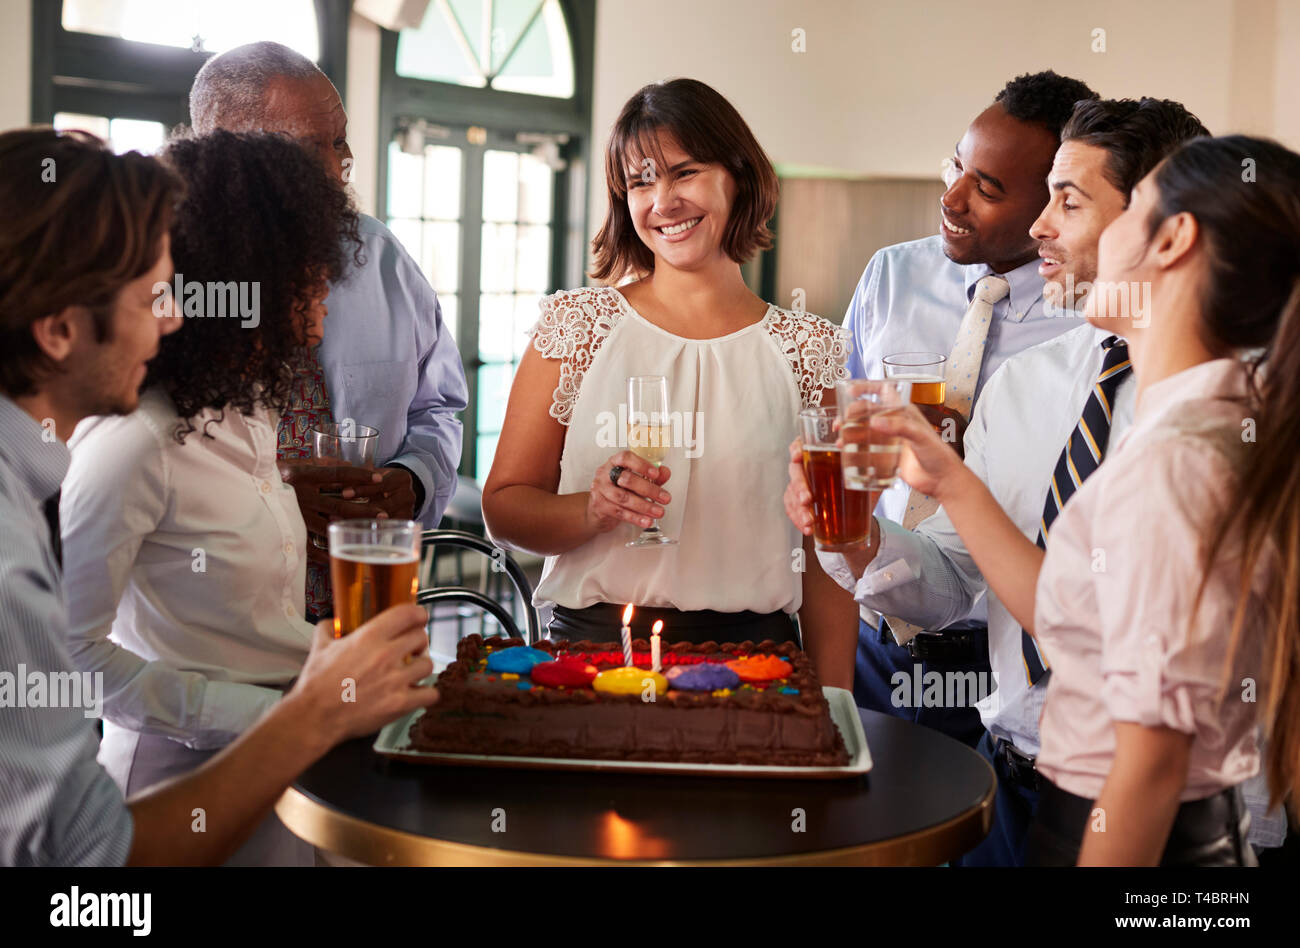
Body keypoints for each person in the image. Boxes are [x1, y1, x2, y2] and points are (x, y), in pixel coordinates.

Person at [0, 127, 437, 866]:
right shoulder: (102, 466)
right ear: (58, 330)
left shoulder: (243, 413)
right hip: (183, 778)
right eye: (152, 296)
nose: (174, 317)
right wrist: (299, 712)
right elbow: (88, 870)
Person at [791, 98, 1211, 865]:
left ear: (1166, 225)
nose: (1041, 226)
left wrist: (952, 483)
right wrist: (857, 540)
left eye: (1069, 201)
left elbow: (1099, 634)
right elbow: (954, 581)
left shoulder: (1224, 414)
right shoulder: (1027, 385)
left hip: (1180, 814)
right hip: (1017, 782)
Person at [871, 133, 1300, 865]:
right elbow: (1080, 626)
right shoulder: (1221, 429)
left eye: (1122, 210)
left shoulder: (1177, 467)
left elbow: (1151, 761)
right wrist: (947, 479)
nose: (1045, 225)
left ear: (1173, 240)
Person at [481, 78, 858, 653]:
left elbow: (828, 558)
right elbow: (505, 507)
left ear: (738, 176)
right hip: (593, 660)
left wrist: (836, 711)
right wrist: (593, 508)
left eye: (685, 172)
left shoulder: (809, 351)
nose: (663, 202)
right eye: (641, 181)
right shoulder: (576, 328)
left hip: (758, 669)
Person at [803, 71, 1098, 717]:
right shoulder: (893, 273)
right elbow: (831, 425)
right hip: (874, 631)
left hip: (1010, 657)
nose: (953, 199)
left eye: (986, 189)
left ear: (1055, 208)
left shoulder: (1090, 325)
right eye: (956, 169)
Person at [190, 41, 469, 620]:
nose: (335, 166)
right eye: (303, 148)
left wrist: (412, 481)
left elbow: (438, 406)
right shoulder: (164, 274)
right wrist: (273, 495)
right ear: (226, 151)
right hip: (216, 634)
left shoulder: (384, 260)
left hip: (366, 608)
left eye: (338, 138)